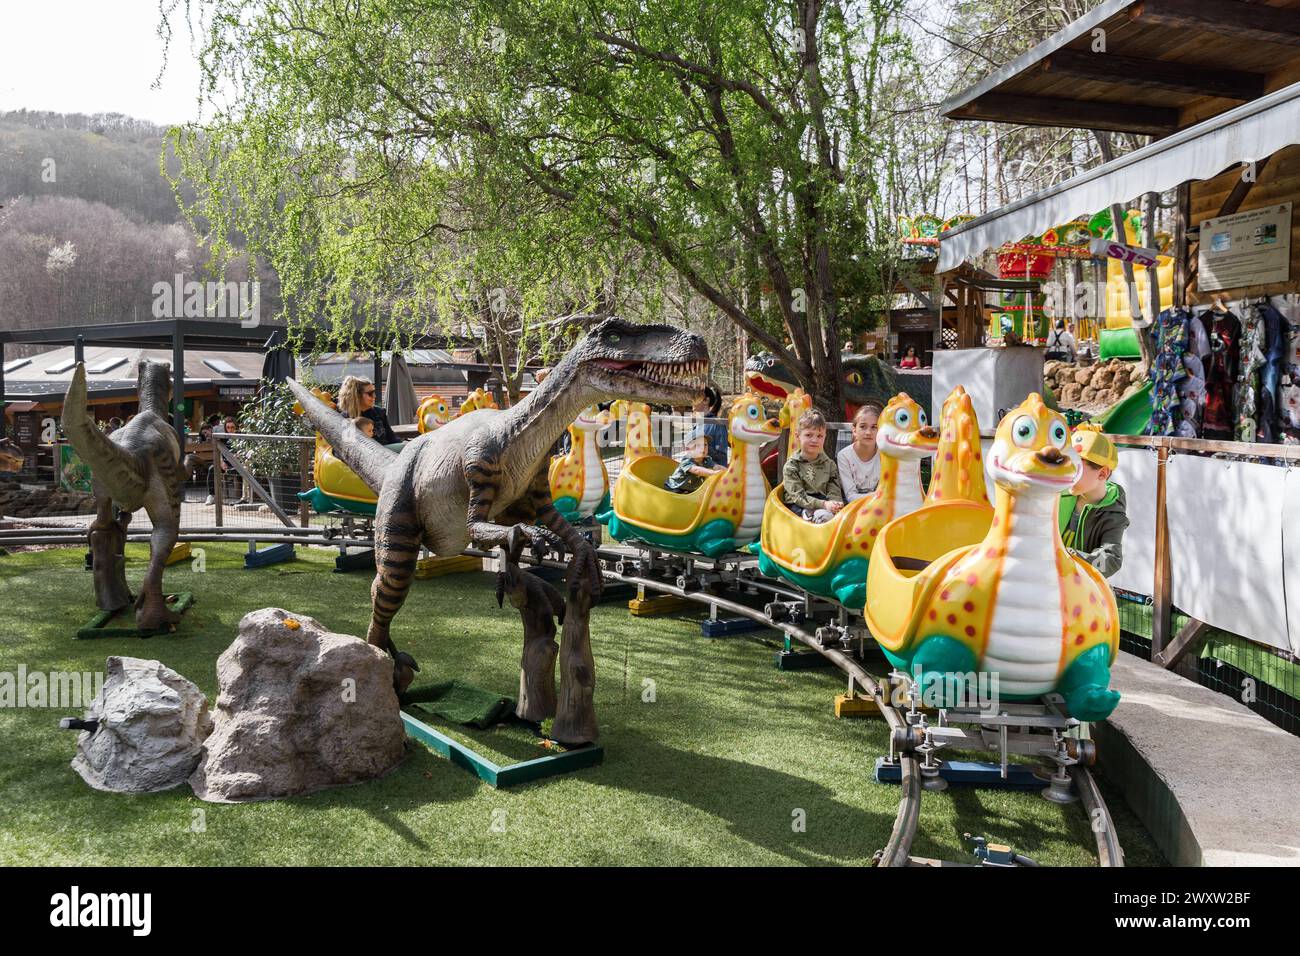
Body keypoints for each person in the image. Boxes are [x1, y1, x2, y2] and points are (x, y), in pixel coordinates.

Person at [1059, 424, 1129, 577]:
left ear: (1102, 474)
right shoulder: (1056, 494)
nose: (1067, 473)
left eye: (1076, 468)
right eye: (1066, 464)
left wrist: (1069, 557)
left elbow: (1111, 559)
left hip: (1080, 587)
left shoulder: (1113, 514)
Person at [782, 409, 844, 523]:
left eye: (819, 436)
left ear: (825, 437)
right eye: (809, 435)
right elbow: (797, 496)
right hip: (798, 504)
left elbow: (834, 491)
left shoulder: (829, 464)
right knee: (823, 518)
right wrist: (824, 504)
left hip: (823, 501)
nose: (814, 440)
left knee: (841, 517)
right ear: (798, 436)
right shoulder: (792, 465)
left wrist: (836, 504)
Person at [837, 403, 882, 501]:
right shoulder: (844, 456)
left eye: (874, 427)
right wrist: (879, 496)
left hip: (880, 506)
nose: (868, 432)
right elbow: (850, 496)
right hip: (854, 507)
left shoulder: (885, 455)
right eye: (863, 426)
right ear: (854, 430)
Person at [338, 375, 399, 445]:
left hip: (387, 451)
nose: (375, 396)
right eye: (370, 393)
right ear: (357, 396)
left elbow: (391, 437)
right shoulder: (345, 418)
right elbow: (349, 446)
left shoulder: (380, 412)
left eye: (374, 392)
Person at [664, 429, 723, 493]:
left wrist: (728, 471)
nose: (703, 448)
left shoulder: (706, 459)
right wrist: (714, 473)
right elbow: (696, 470)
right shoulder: (686, 461)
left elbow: (717, 466)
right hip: (675, 487)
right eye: (698, 445)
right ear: (688, 449)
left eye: (705, 445)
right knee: (678, 494)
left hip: (690, 489)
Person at [692, 385, 729, 465]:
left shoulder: (718, 424)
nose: (692, 400)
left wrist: (703, 448)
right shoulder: (696, 424)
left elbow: (722, 457)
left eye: (695, 397)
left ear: (706, 401)